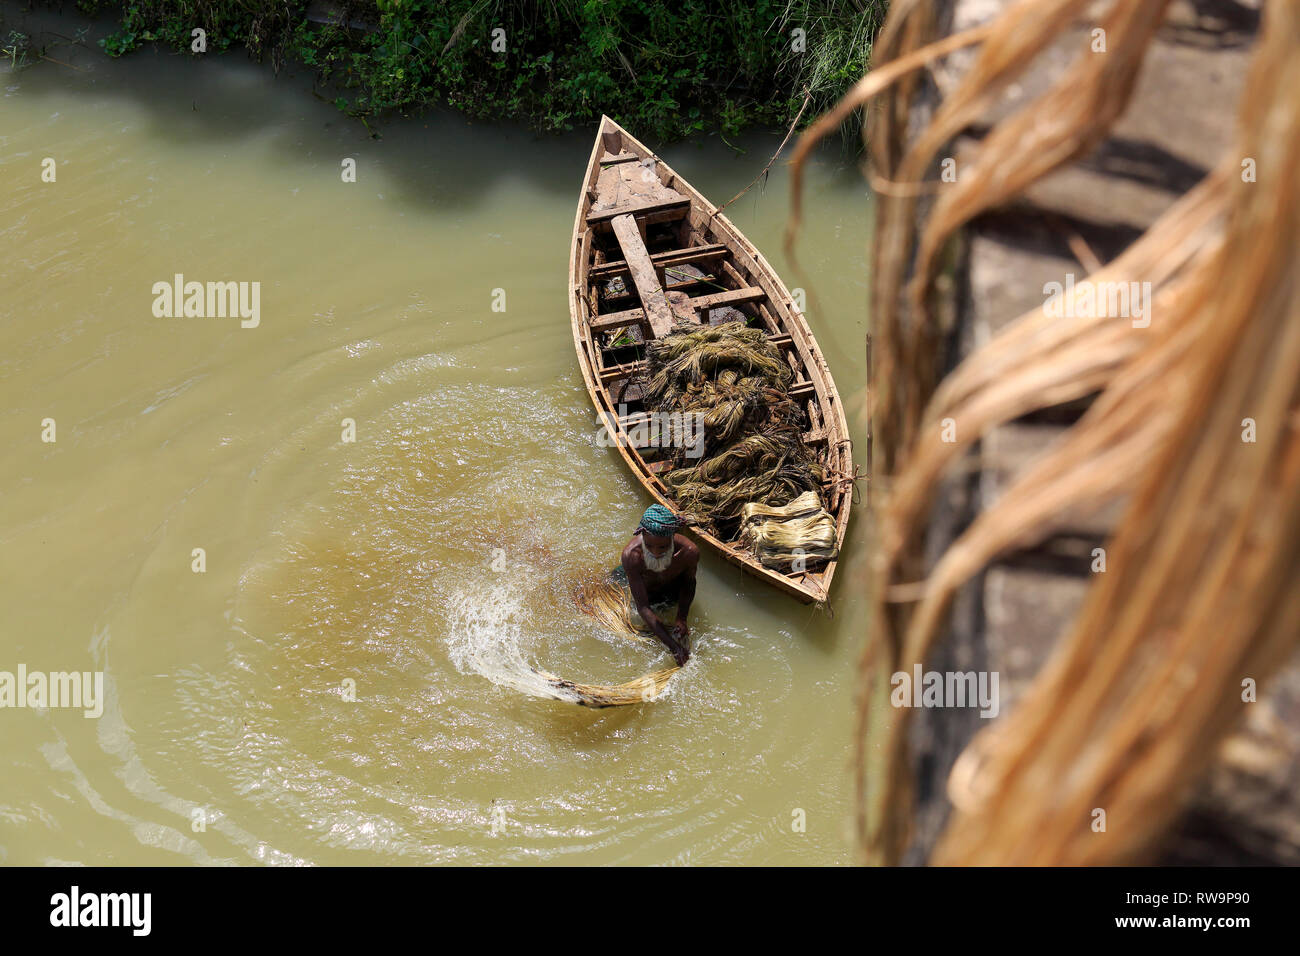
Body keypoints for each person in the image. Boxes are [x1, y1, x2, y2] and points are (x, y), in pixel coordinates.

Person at [616, 504, 698, 666]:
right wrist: (673, 647)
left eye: (663, 547)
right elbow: (643, 607)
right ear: (642, 535)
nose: (656, 552)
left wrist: (682, 617)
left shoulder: (689, 552)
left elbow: (689, 583)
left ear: (673, 537)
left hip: (669, 590)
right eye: (649, 545)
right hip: (639, 586)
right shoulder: (632, 556)